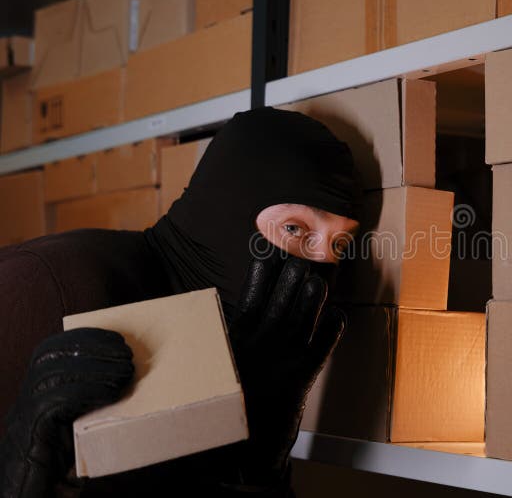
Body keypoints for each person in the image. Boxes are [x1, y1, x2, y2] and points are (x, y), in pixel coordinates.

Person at [0, 107, 362, 497]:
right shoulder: (55, 287)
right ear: (224, 213)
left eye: (339, 245)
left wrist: (257, 467)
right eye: (295, 228)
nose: (320, 264)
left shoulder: (240, 356)